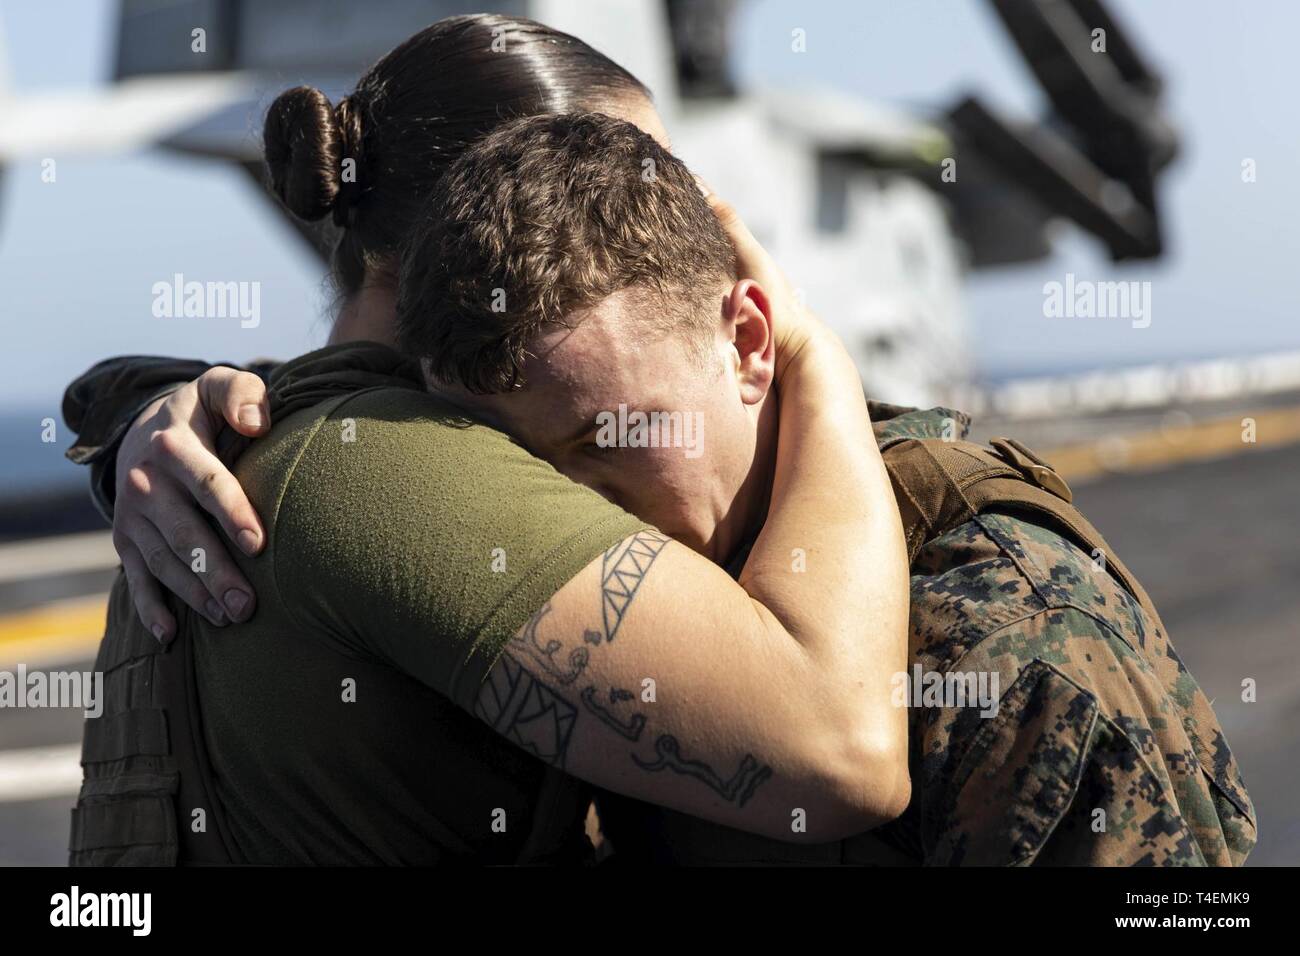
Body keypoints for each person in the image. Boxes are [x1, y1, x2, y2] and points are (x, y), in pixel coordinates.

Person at [66, 18, 1255, 867]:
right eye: (618, 182)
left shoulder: (273, 430)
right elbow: (836, 747)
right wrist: (808, 354)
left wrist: (130, 405)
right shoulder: (386, 461)